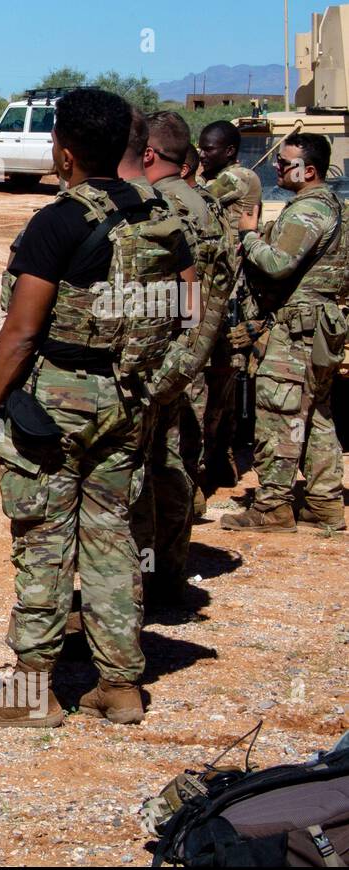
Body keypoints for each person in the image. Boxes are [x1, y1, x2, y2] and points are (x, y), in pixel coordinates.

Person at [0, 89, 196, 729]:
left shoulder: (57, 222)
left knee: (42, 537)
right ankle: (120, 684)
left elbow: (21, 333)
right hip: (126, 400)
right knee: (111, 534)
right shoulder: (162, 216)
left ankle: (35, 691)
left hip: (58, 402)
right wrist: (155, 379)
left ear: (62, 151)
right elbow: (193, 313)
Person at [134, 111, 238, 603]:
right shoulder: (210, 204)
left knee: (152, 467)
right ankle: (169, 573)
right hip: (200, 349)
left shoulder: (158, 206)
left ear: (148, 154)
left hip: (165, 355)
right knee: (176, 461)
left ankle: (145, 582)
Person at [221, 132, 348, 532]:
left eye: (285, 162)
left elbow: (278, 264)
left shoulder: (308, 211)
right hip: (319, 326)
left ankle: (272, 506)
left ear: (308, 170)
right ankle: (324, 501)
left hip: (299, 330)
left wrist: (249, 234)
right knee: (318, 415)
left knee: (279, 412)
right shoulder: (333, 206)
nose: (277, 167)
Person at [198, 121, 264, 491]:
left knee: (220, 379)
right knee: (223, 378)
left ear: (229, 151)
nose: (204, 153)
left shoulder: (237, 177)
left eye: (210, 149)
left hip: (228, 295)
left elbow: (195, 197)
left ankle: (214, 460)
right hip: (224, 291)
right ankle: (220, 460)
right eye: (201, 148)